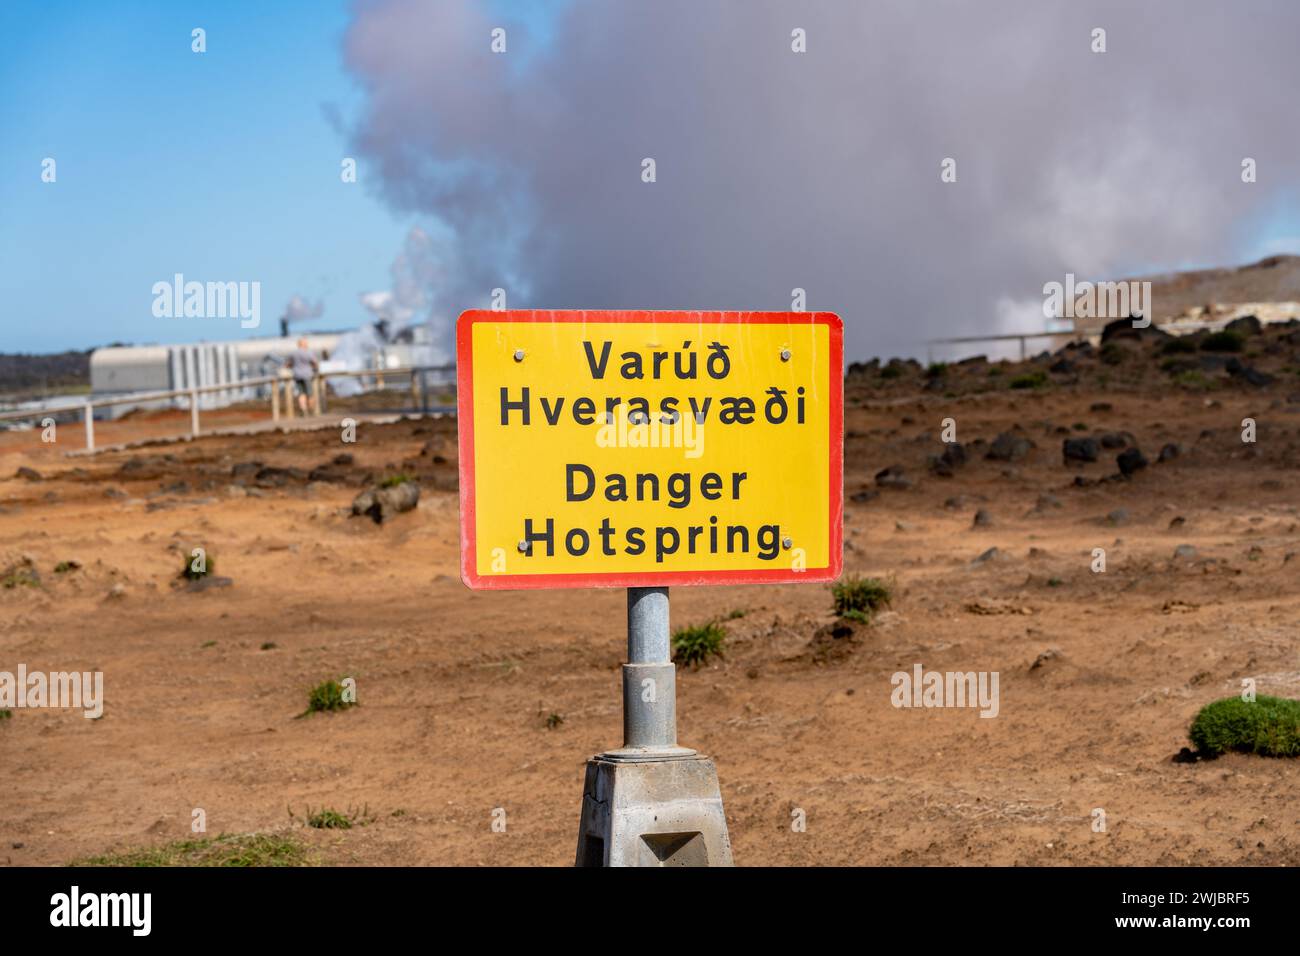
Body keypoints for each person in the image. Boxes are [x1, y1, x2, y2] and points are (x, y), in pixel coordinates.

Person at [285, 338, 319, 416]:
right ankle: (311, 410)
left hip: (297, 375)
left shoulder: (293, 353)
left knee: (301, 393)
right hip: (307, 374)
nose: (307, 345)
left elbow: (287, 365)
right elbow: (314, 363)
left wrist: (294, 366)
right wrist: (315, 369)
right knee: (310, 393)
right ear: (304, 344)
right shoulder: (308, 353)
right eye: (306, 343)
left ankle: (303, 410)